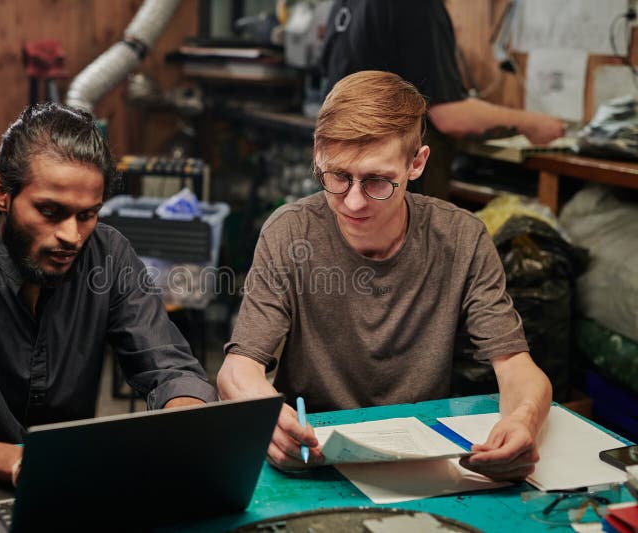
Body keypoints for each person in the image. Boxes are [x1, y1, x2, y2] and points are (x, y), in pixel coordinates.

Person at [0, 103, 218, 532]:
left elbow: (169, 366)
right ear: (2, 193)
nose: (72, 236)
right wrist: (28, 464)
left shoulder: (108, 257)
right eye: (51, 212)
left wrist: (185, 421)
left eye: (87, 215)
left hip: (65, 494)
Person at [217, 71, 552, 481]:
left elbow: (518, 368)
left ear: (416, 164)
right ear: (318, 153)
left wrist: (524, 421)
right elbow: (238, 369)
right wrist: (265, 413)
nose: (353, 202)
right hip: (316, 453)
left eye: (377, 181)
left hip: (423, 455)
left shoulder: (462, 238)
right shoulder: (290, 233)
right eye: (338, 177)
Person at [320, 0, 566, 198]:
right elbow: (450, 116)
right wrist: (534, 123)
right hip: (387, 187)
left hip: (341, 178)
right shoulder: (418, 6)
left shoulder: (343, 5)